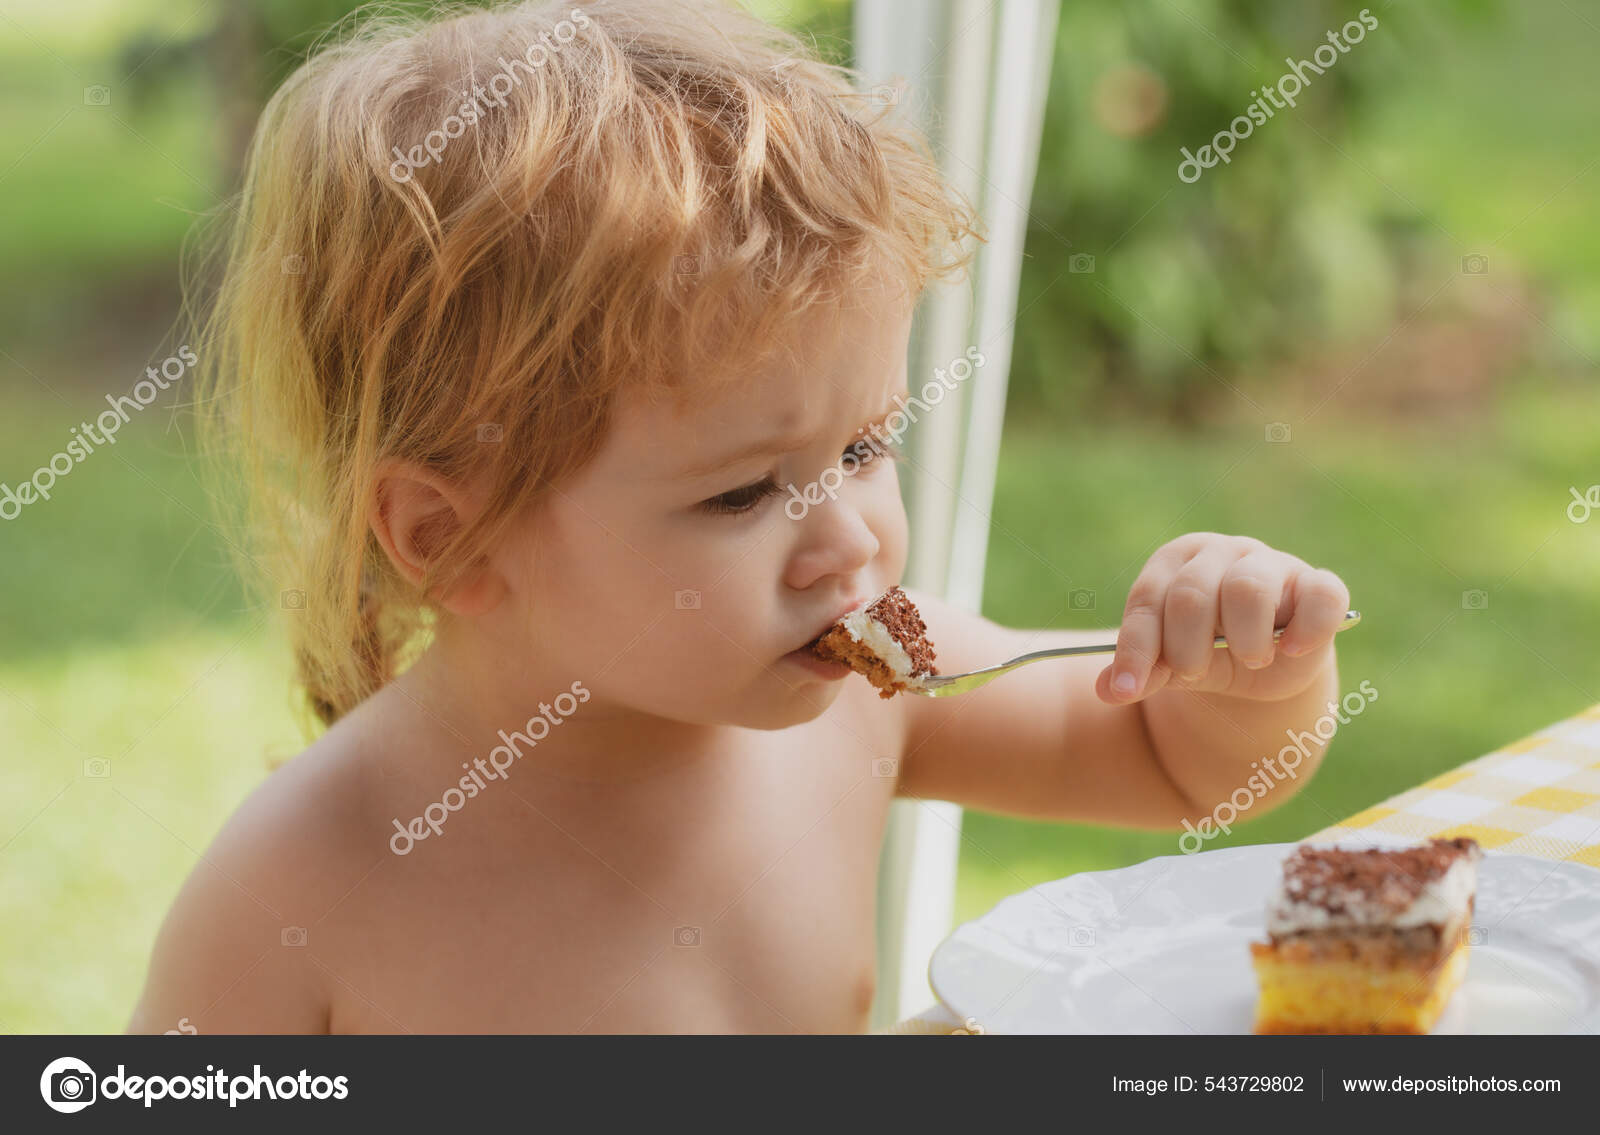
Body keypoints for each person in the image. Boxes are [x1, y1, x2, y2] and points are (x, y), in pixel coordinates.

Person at [128, 0, 1350, 1034]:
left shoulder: (875, 704)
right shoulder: (301, 888)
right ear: (450, 537)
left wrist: (1248, 678)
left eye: (866, 445)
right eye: (742, 491)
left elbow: (1174, 771)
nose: (851, 541)